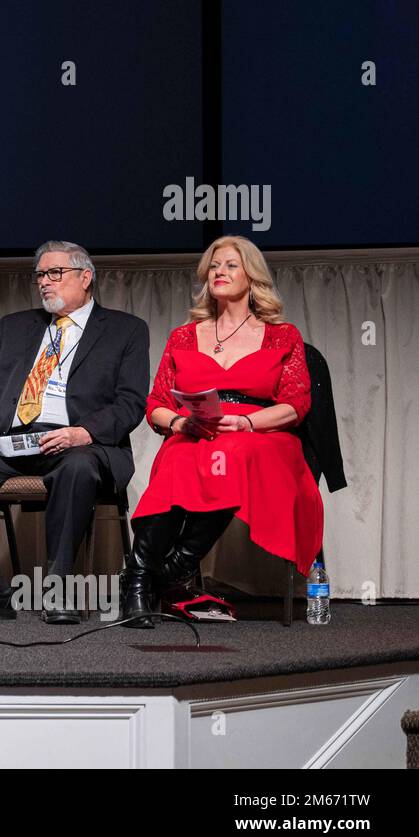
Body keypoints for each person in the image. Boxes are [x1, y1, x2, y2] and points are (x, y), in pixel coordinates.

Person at [0, 241, 149, 623]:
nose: (45, 282)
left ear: (85, 277)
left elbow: (130, 403)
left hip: (80, 444)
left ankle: (59, 587)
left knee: (77, 468)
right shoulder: (13, 327)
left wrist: (82, 433)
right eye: (40, 275)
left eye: (55, 273)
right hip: (15, 443)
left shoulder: (125, 330)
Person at [122, 235, 324, 628]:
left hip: (262, 438)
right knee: (178, 456)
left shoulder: (283, 335)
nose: (220, 272)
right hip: (195, 432)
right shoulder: (184, 335)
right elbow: (157, 404)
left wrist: (246, 422)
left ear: (252, 276)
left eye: (231, 265)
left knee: (230, 454)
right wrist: (181, 422)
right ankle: (141, 580)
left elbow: (295, 405)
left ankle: (167, 570)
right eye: (214, 266)